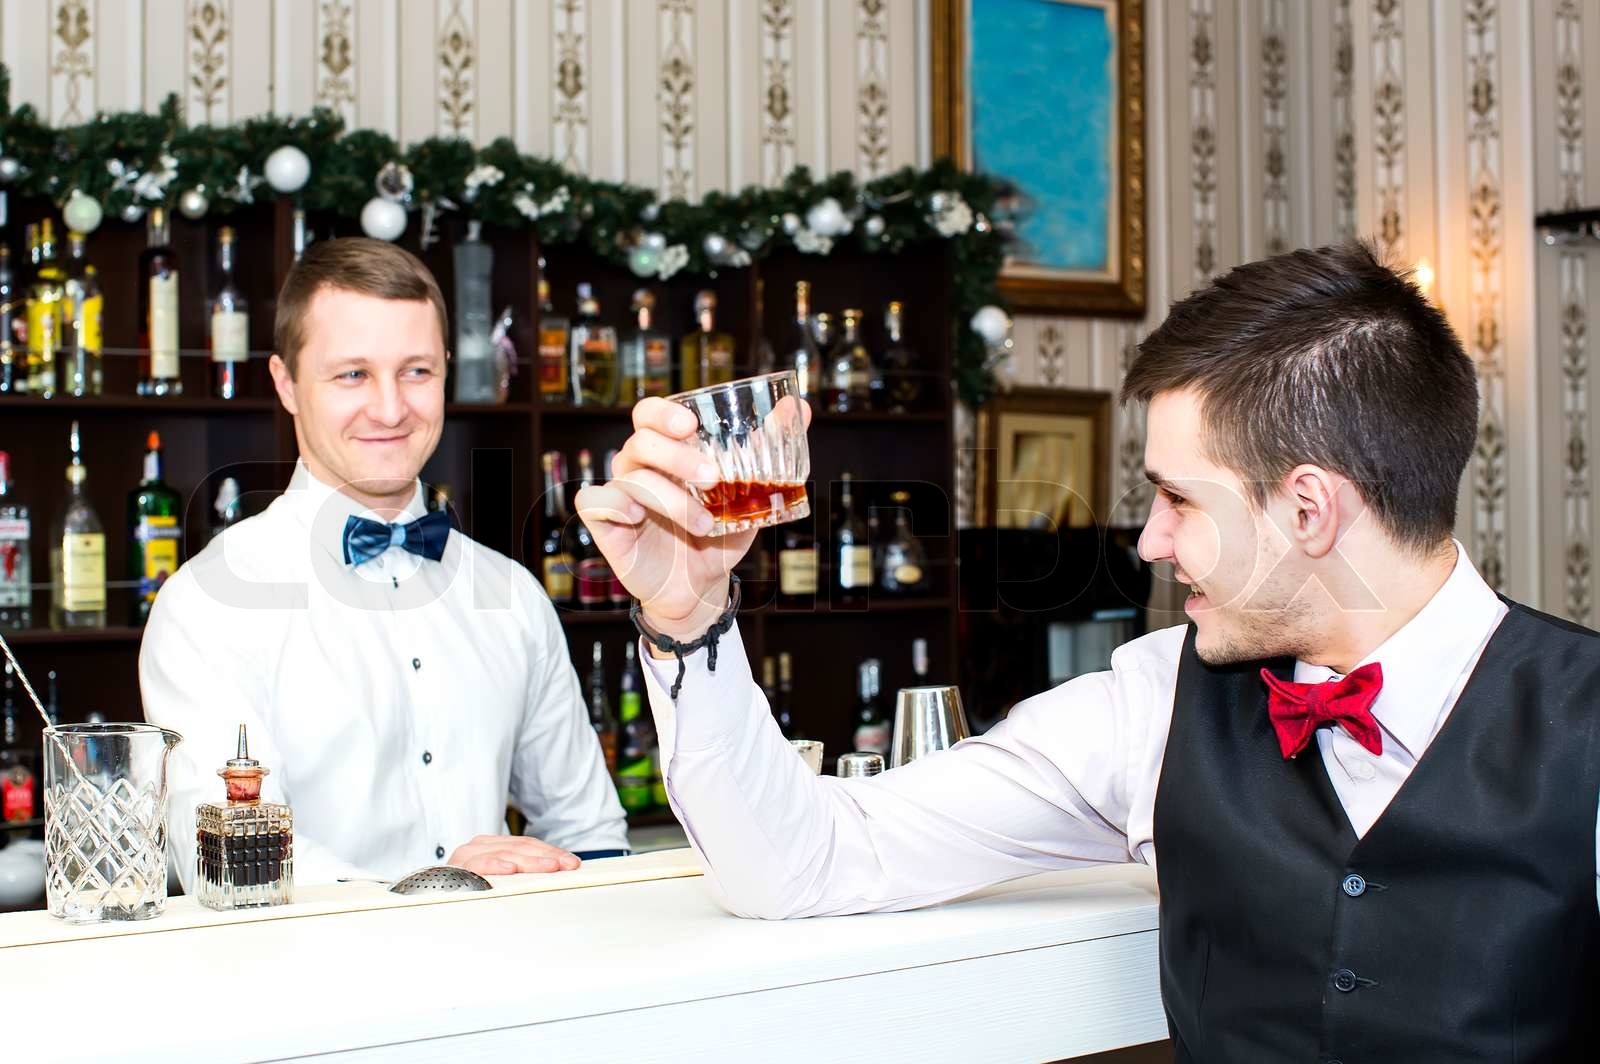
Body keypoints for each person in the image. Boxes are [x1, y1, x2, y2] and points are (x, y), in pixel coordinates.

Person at [577, 242, 1600, 1061]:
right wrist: (688, 615)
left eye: (1175, 498)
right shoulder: (1151, 704)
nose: (1149, 540)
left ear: (1307, 506)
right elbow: (804, 858)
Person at [143, 238, 626, 890]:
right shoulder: (208, 603)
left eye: (416, 371)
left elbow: (590, 837)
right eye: (353, 374)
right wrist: (427, 889)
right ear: (285, 383)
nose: (392, 408)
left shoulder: (512, 595)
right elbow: (233, 867)